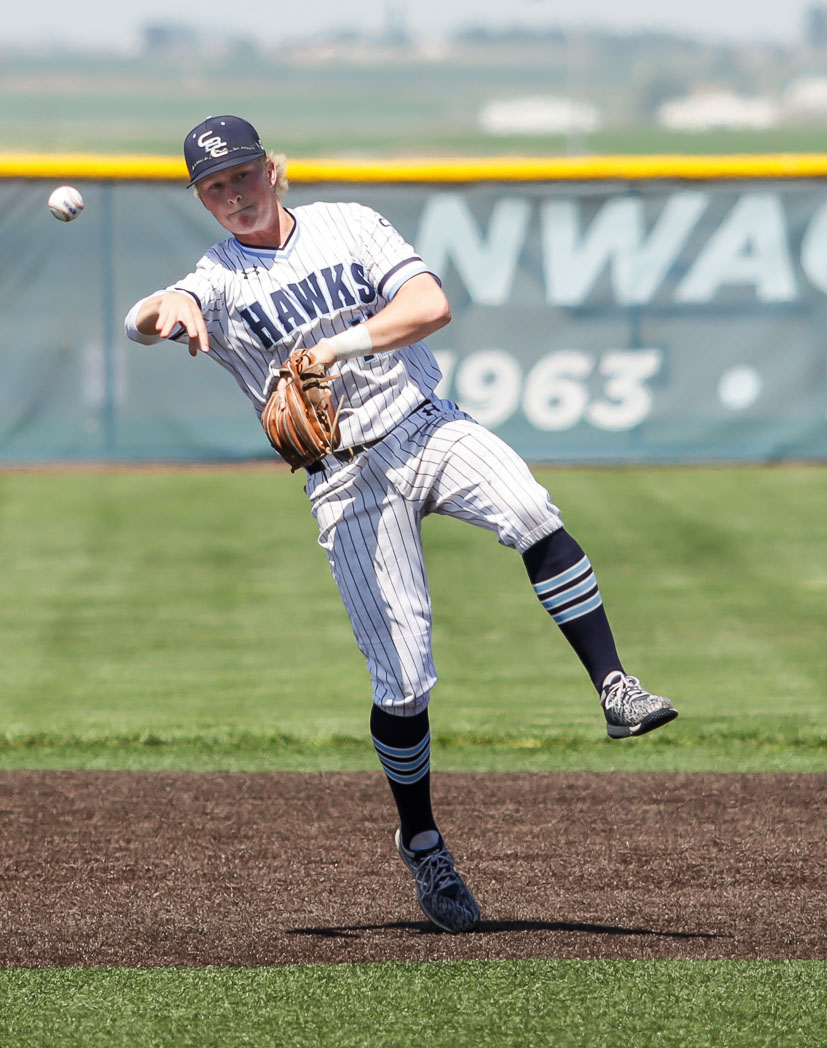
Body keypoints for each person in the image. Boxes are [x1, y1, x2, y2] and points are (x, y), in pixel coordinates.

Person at [124, 115, 678, 933]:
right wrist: (163, 304)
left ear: (274, 170)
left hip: (424, 425)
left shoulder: (350, 225)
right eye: (215, 187)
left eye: (243, 175)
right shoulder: (218, 277)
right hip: (344, 481)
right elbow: (149, 315)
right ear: (202, 202)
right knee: (404, 679)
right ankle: (421, 839)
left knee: (528, 505)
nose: (234, 194)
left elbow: (430, 305)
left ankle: (615, 687)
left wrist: (334, 350)